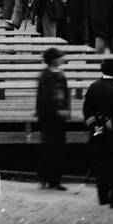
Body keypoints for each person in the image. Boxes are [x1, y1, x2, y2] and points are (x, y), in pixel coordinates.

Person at [83, 57, 113, 207]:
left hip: (98, 132)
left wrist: (95, 126)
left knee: (101, 166)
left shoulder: (93, 86)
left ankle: (103, 197)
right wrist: (112, 124)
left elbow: (87, 111)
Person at [34, 47, 70, 190]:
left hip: (58, 114)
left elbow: (64, 94)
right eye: (60, 56)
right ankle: (45, 176)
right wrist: (58, 110)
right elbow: (46, 97)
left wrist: (65, 109)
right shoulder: (47, 76)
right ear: (54, 59)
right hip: (50, 115)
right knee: (52, 147)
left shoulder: (58, 74)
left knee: (58, 148)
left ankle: (54, 179)